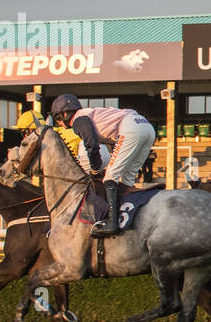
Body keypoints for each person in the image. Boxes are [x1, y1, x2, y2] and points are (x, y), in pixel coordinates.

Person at [50, 94, 156, 238]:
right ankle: (126, 216)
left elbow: (92, 146)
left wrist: (95, 168)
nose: (60, 124)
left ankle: (112, 223)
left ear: (64, 114)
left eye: (58, 119)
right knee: (127, 179)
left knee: (110, 177)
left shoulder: (78, 121)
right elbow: (110, 145)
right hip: (147, 128)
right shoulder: (91, 115)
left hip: (131, 127)